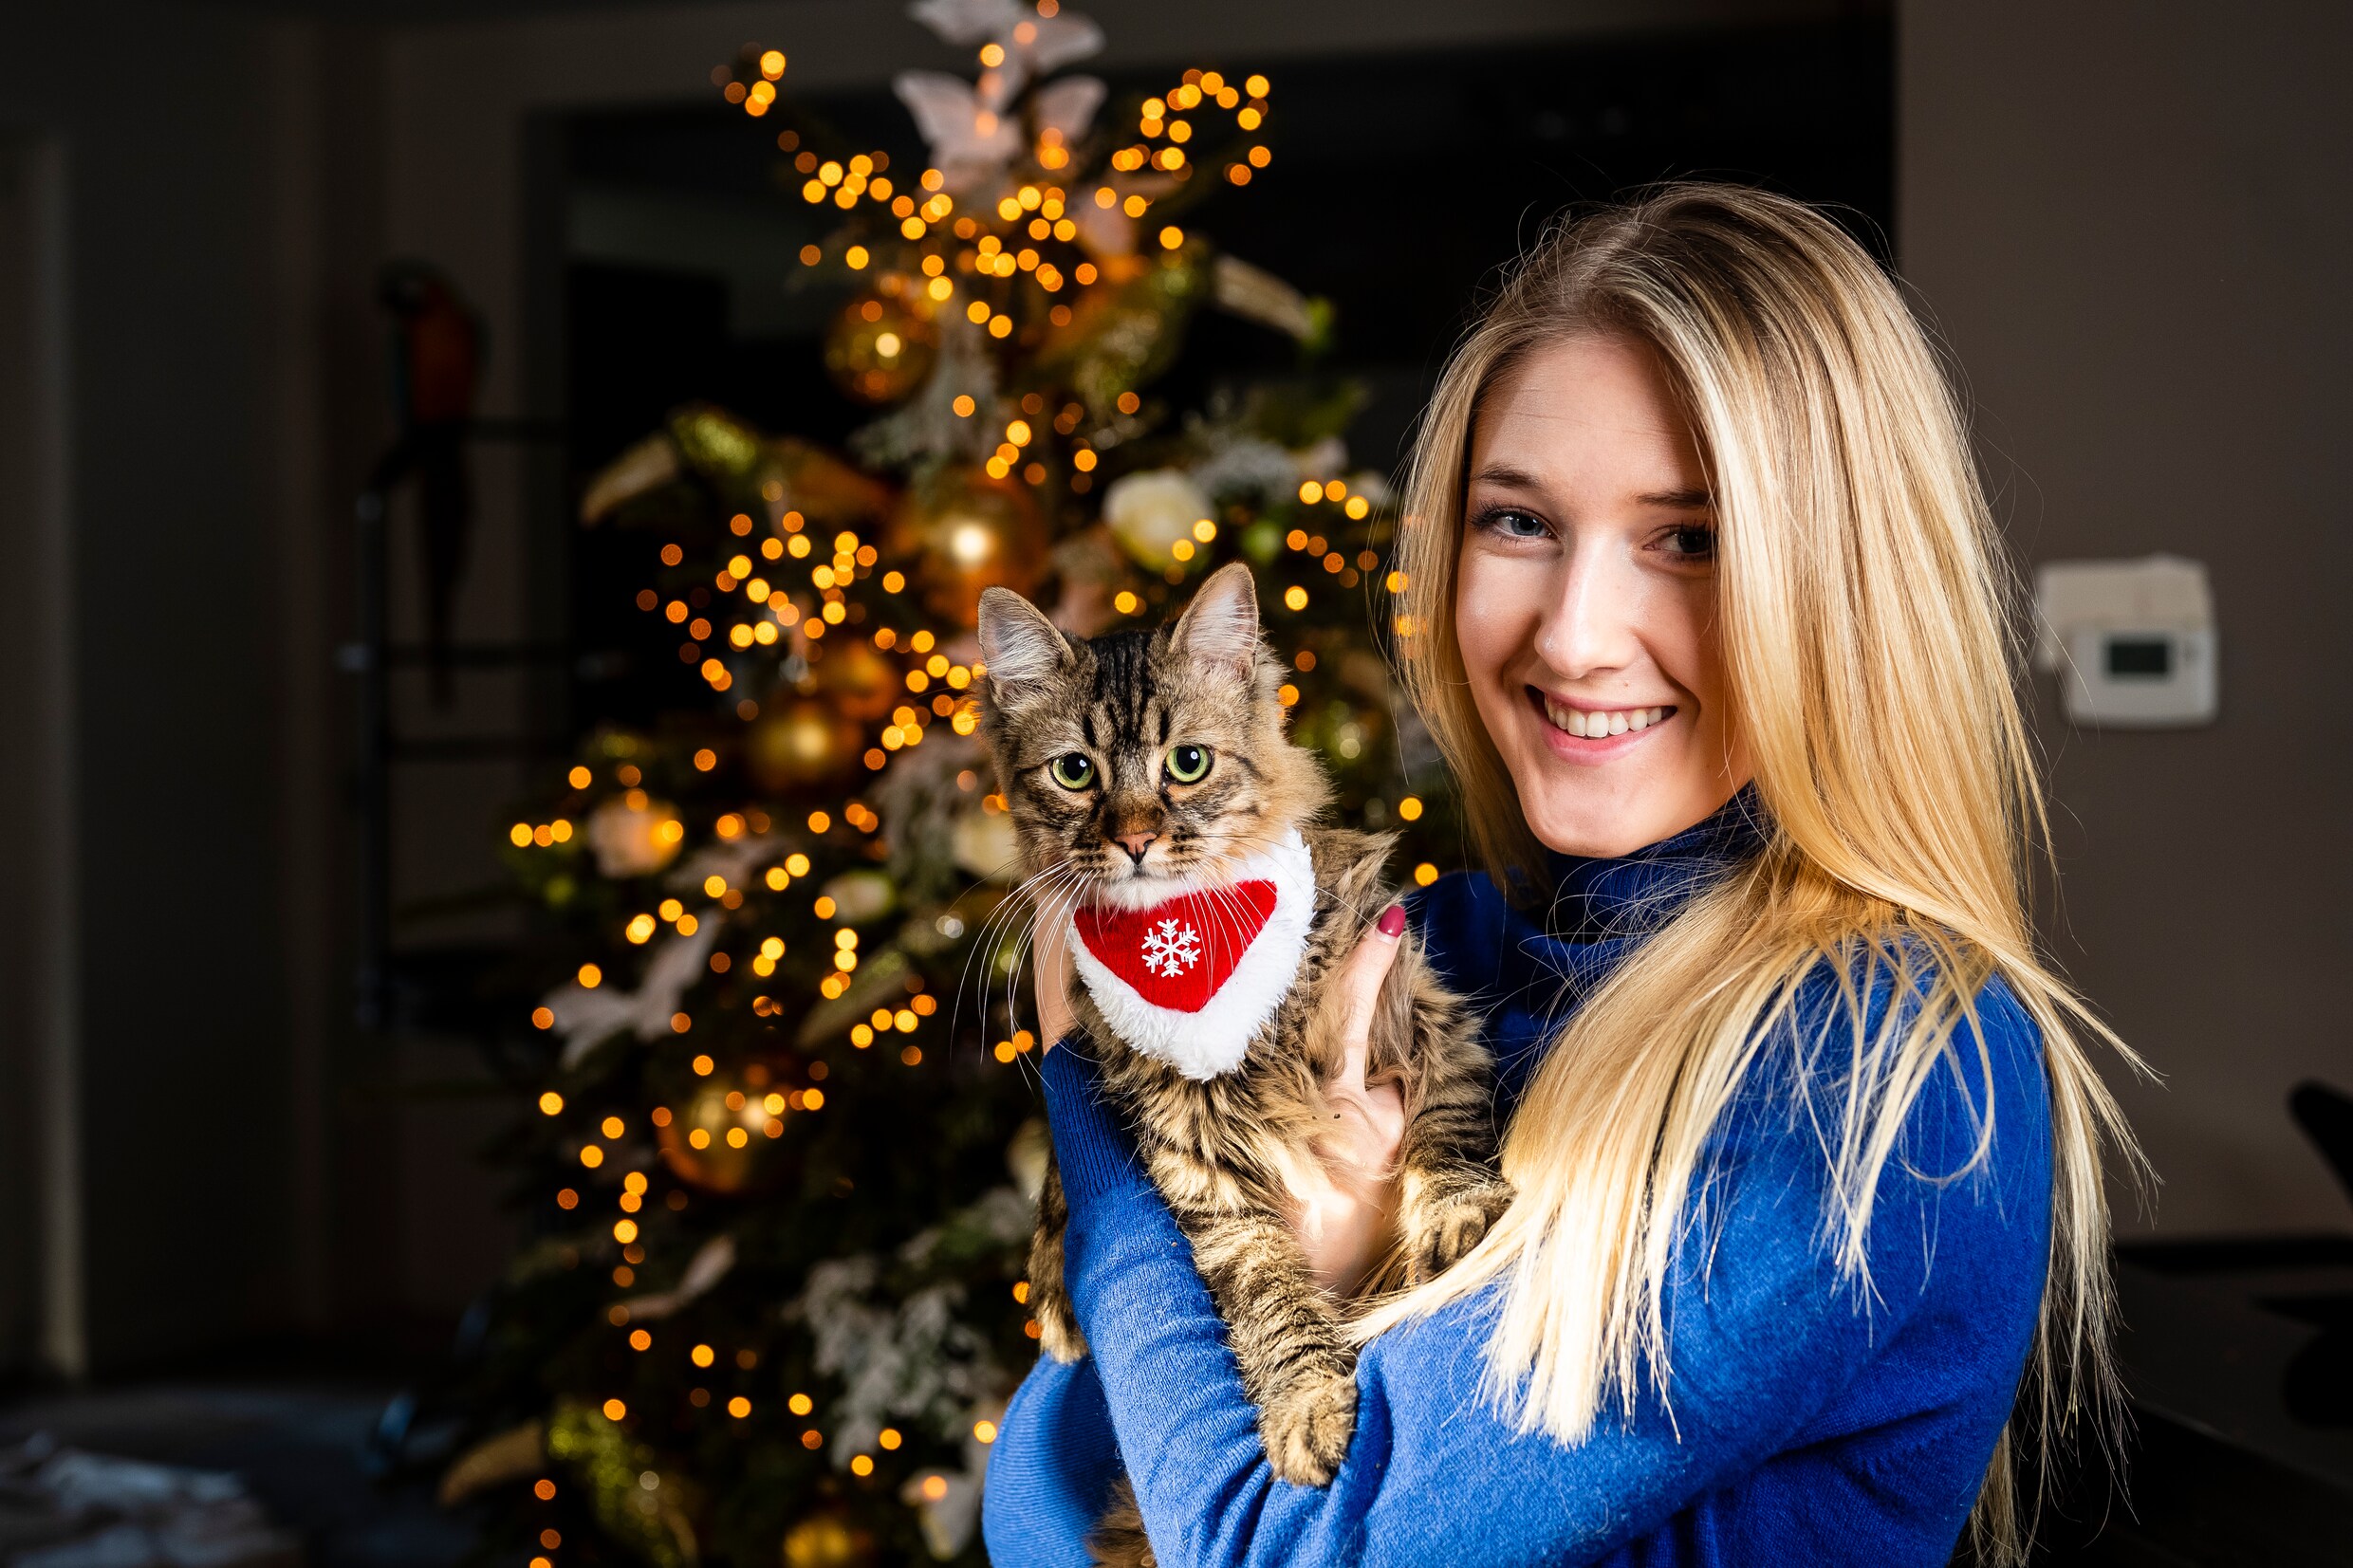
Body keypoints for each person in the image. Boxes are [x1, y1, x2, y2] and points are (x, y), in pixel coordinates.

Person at [980, 184, 2140, 1568]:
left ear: (1841, 588)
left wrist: (1091, 1087)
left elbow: (1258, 1548)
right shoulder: (1432, 947)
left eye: (1689, 538)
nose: (1578, 635)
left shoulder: (1877, 1066)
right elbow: (1041, 1505)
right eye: (1518, 521)